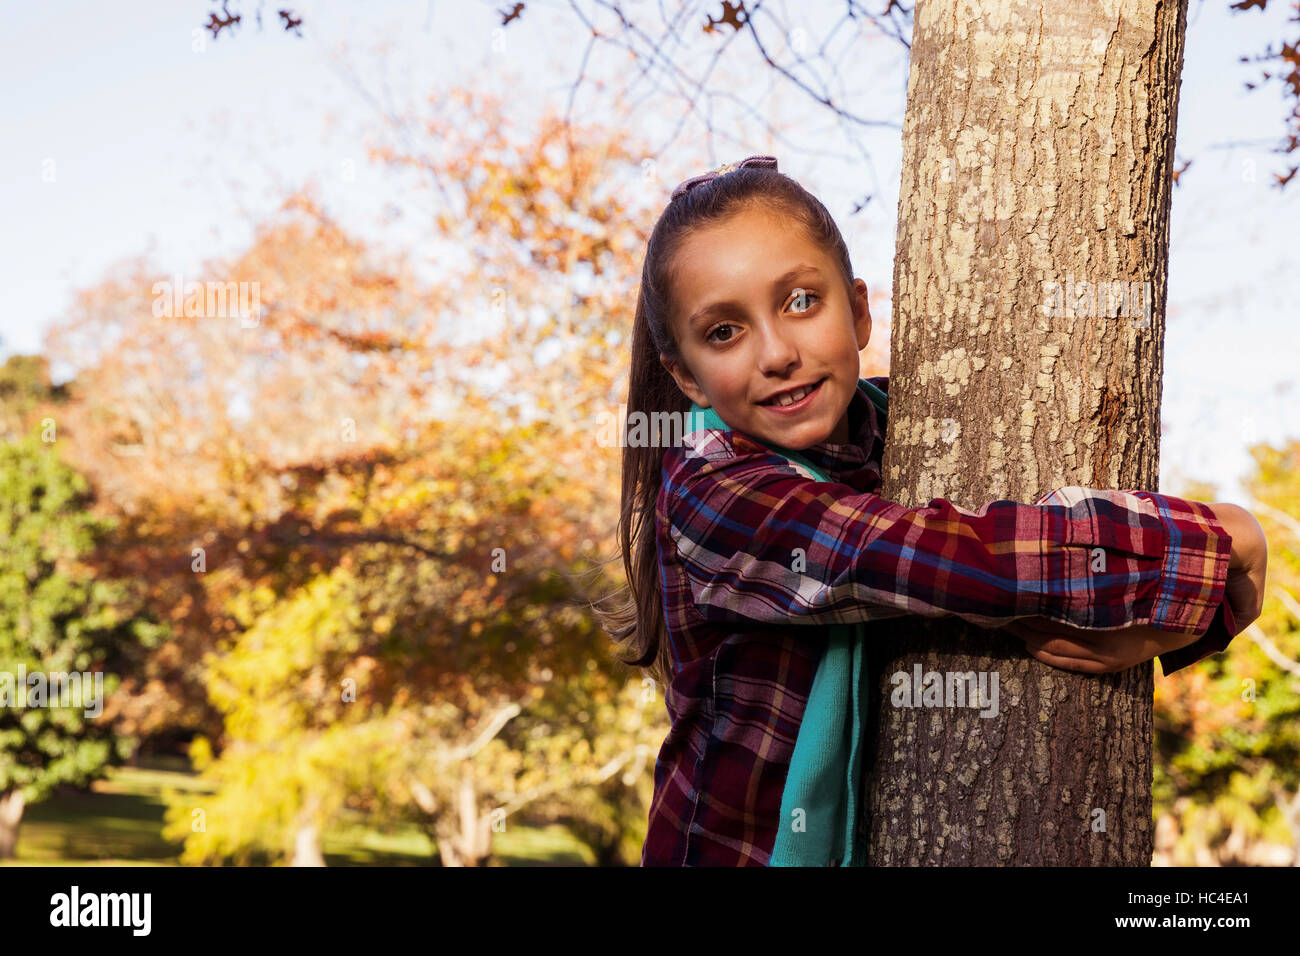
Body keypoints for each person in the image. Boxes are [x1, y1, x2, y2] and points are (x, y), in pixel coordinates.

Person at [596, 155, 1268, 867]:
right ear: (685, 375)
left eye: (799, 301)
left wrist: (1166, 627)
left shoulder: (895, 428)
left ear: (857, 311)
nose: (777, 354)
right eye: (724, 332)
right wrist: (1220, 543)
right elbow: (926, 557)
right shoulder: (713, 489)